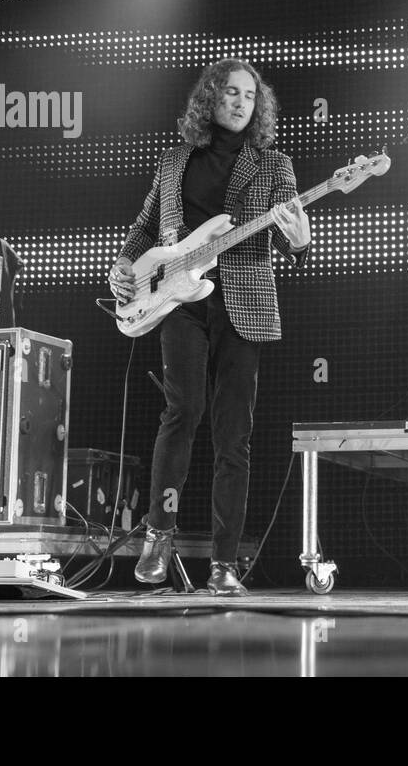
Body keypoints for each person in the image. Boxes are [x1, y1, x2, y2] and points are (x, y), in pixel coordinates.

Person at [109, 58, 311, 596]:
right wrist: (122, 268)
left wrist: (299, 240)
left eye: (250, 95)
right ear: (210, 99)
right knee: (183, 412)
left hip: (243, 304)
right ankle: (159, 532)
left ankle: (224, 565)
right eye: (231, 92)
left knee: (233, 436)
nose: (241, 102)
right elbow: (146, 226)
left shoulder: (274, 165)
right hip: (180, 300)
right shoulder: (175, 161)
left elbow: (292, 241)